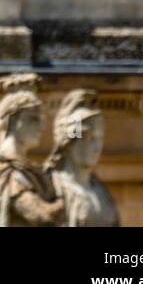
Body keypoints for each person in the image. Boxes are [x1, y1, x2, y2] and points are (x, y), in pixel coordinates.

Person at [0, 73, 64, 227]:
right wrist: (68, 195)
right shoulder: (3, 169)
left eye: (42, 120)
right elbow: (41, 216)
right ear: (12, 120)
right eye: (34, 118)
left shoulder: (28, 169)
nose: (42, 127)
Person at [46, 89, 120, 227]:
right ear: (69, 141)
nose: (96, 146)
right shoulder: (50, 188)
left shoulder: (101, 194)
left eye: (100, 138)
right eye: (90, 138)